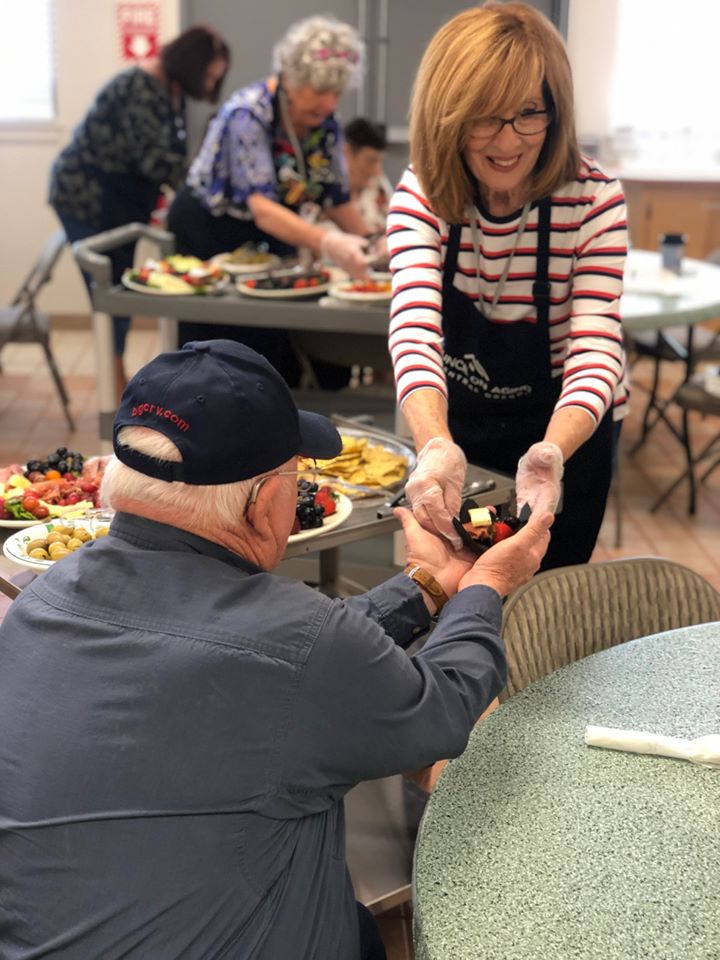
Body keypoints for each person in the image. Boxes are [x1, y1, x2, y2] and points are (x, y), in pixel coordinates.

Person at [0, 339, 552, 959]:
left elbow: (286, 656)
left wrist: (426, 587)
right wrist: (486, 585)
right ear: (264, 504)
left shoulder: (35, 607)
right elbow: (442, 711)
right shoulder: (297, 642)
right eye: (298, 477)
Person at [387, 1, 628, 570]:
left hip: (567, 433)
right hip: (460, 429)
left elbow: (596, 348)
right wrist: (435, 445)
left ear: (554, 111)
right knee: (457, 591)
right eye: (486, 117)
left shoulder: (592, 200)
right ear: (449, 114)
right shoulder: (423, 194)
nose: (508, 141)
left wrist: (552, 452)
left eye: (528, 113)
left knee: (549, 597)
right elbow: (414, 330)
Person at [167, 15, 375, 381]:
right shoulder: (249, 113)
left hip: (271, 227)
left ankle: (273, 409)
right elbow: (262, 208)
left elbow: (335, 198)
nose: (328, 103)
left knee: (273, 342)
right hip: (210, 226)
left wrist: (373, 243)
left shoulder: (324, 122)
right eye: (318, 90)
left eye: (336, 93)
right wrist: (329, 242)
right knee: (219, 346)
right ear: (290, 77)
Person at [49, 25, 231, 398]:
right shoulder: (140, 87)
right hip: (87, 197)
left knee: (119, 291)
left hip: (120, 201)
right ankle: (116, 393)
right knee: (109, 294)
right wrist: (205, 191)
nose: (211, 85)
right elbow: (156, 160)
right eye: (209, 76)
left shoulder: (170, 89)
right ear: (192, 64)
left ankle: (119, 382)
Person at [343, 117, 393, 236]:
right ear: (346, 153)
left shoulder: (379, 186)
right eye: (370, 161)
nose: (377, 172)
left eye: (379, 162)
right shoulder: (325, 193)